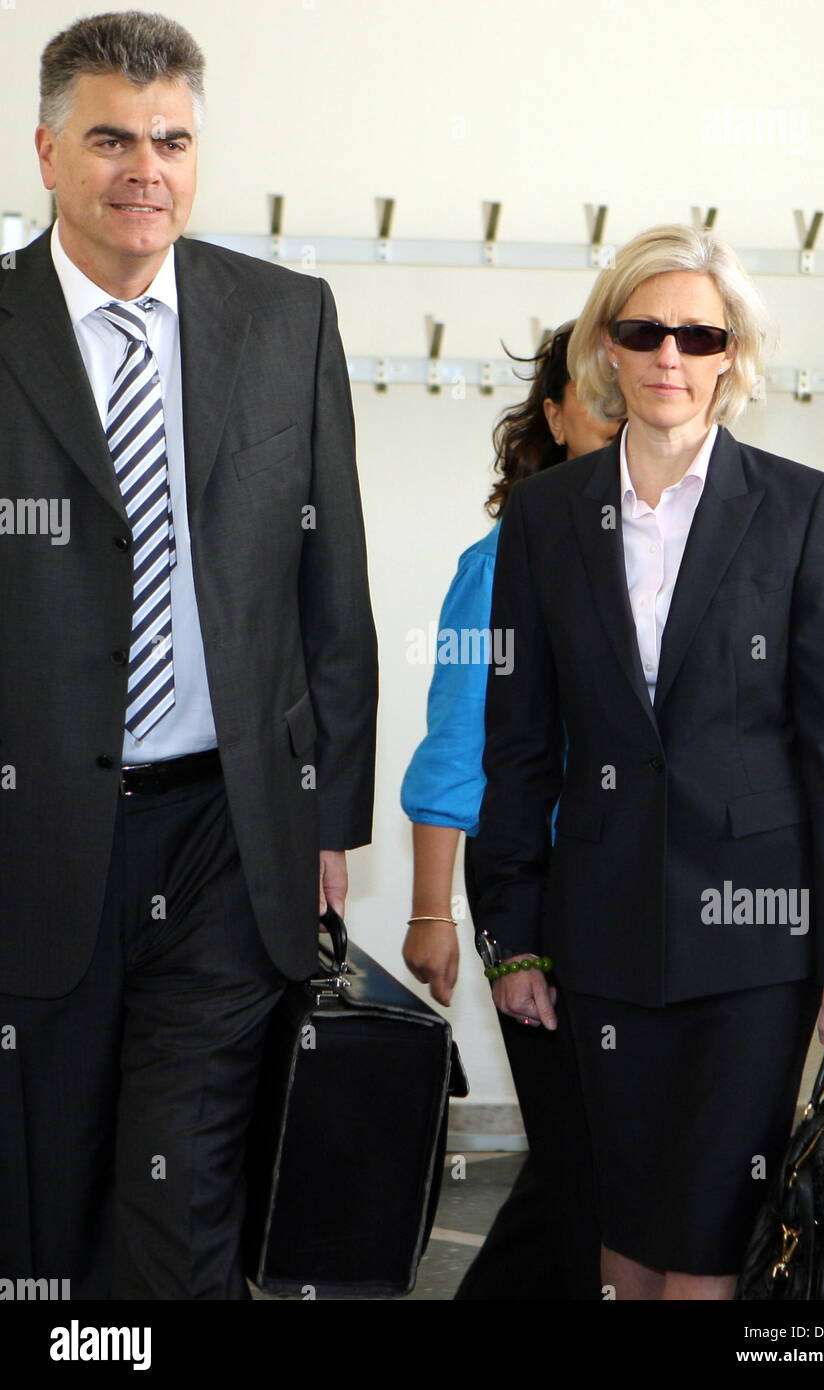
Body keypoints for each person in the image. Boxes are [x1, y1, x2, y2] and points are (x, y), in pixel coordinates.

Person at [0, 12, 377, 1300]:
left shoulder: (284, 318)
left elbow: (334, 590)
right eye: (111, 138)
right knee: (46, 1203)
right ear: (47, 152)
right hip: (35, 835)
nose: (144, 167)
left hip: (227, 831)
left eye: (170, 139)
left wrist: (326, 812)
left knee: (184, 1182)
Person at [468, 223, 824, 1301]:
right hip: (600, 930)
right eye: (645, 330)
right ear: (608, 346)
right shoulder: (549, 516)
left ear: (730, 352)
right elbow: (515, 743)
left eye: (697, 334)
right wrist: (512, 940)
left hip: (757, 943)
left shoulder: (801, 506)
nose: (669, 355)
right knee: (620, 1238)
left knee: (703, 1248)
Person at [401, 324, 617, 1298]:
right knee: (588, 1174)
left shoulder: (684, 559)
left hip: (650, 904)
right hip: (540, 901)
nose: (619, 412)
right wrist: (431, 913)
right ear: (556, 415)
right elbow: (457, 744)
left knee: (595, 1170)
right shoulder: (500, 564)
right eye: (594, 394)